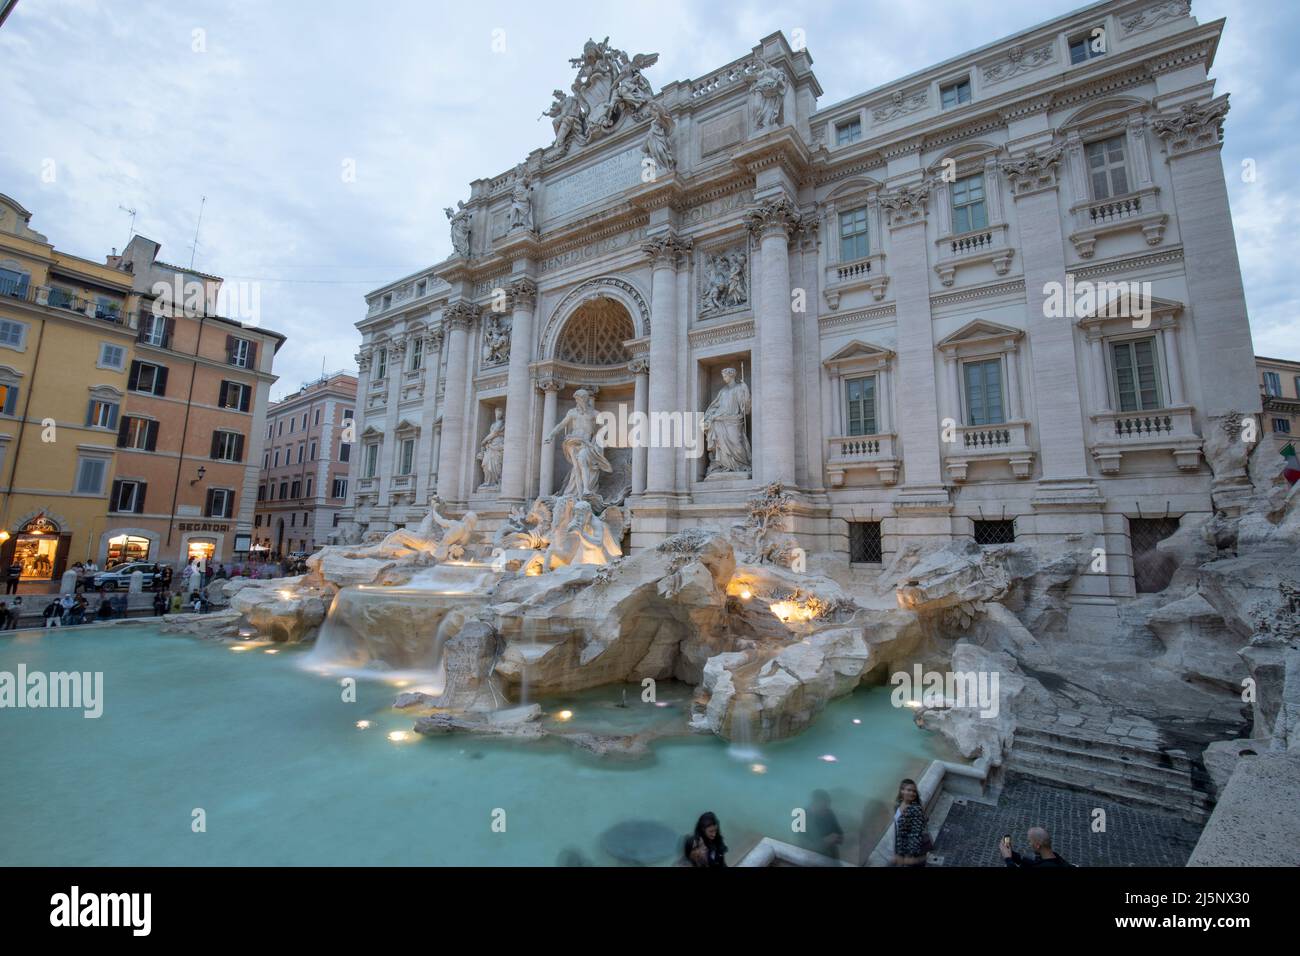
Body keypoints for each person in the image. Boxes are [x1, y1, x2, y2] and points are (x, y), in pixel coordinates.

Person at [892, 778, 930, 867]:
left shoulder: (915, 809)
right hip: (903, 847)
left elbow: (915, 834)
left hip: (914, 850)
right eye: (909, 790)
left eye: (914, 791)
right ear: (902, 791)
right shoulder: (898, 805)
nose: (912, 793)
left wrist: (910, 855)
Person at [1000, 827, 1074, 868]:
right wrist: (1010, 854)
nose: (1029, 844)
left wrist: (1008, 859)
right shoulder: (1054, 856)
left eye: (1030, 841)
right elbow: (1032, 863)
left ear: (1037, 845)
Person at [807, 789, 844, 861]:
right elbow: (803, 848)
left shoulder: (829, 813)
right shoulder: (804, 818)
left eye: (827, 806)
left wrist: (839, 838)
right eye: (823, 806)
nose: (826, 809)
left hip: (832, 857)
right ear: (814, 803)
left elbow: (840, 835)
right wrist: (825, 841)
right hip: (813, 859)